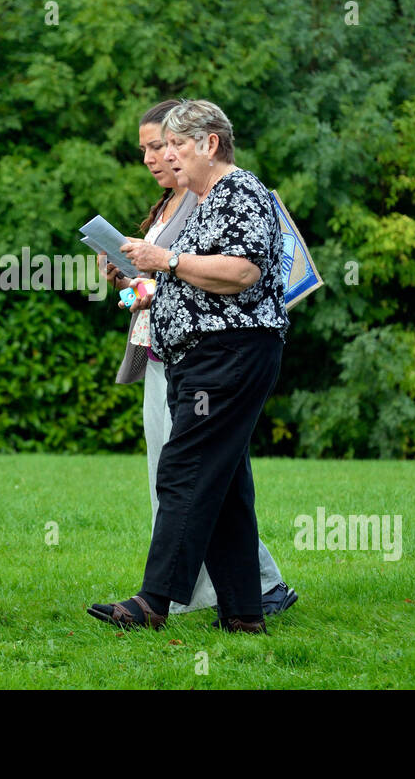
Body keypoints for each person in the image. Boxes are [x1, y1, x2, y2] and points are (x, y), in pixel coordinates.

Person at [89, 99, 289, 633]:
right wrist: (157, 287)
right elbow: (200, 279)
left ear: (211, 144)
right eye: (165, 145)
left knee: (184, 468)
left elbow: (242, 270)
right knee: (223, 484)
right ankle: (245, 614)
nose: (169, 155)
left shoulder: (239, 191)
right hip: (201, 354)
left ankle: (153, 601)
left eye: (178, 144)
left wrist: (168, 261)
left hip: (230, 352)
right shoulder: (205, 198)